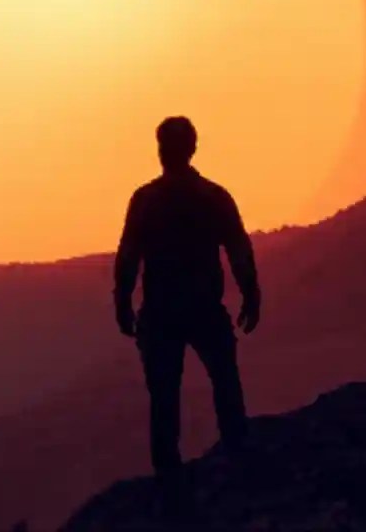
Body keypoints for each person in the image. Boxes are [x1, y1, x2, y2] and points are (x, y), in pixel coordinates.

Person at [113, 116, 262, 483]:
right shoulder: (212, 196)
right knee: (223, 381)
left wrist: (122, 301)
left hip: (164, 312)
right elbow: (238, 248)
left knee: (166, 396)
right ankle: (236, 457)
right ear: (192, 149)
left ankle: (170, 479)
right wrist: (250, 293)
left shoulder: (147, 200)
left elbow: (129, 255)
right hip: (200, 307)